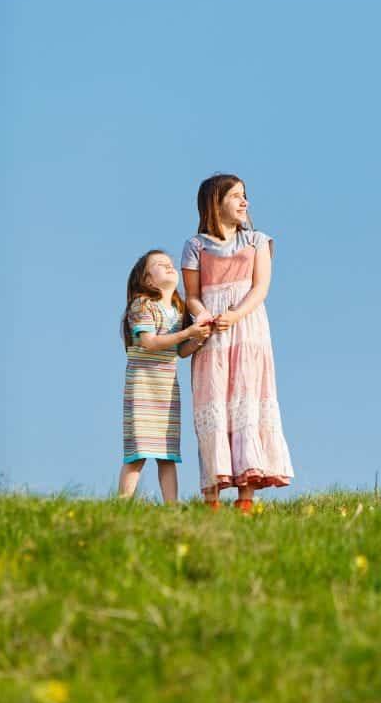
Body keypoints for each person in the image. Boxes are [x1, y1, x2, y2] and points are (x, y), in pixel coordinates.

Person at [181, 174, 294, 512]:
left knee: (247, 399)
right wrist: (203, 316)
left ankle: (246, 497)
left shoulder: (257, 241)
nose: (244, 202)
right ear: (215, 204)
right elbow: (192, 295)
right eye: (235, 196)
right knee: (214, 400)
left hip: (248, 330)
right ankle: (213, 498)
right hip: (213, 333)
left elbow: (260, 288)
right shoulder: (195, 245)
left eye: (244, 195)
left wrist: (236, 315)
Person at [119, 250, 211, 502]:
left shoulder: (178, 310)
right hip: (142, 390)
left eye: (170, 264)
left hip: (167, 392)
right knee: (137, 454)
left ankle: (172, 506)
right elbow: (149, 342)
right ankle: (122, 503)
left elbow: (180, 351)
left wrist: (199, 339)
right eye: (160, 264)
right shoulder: (142, 305)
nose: (169, 267)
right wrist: (188, 333)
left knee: (167, 454)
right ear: (147, 280)